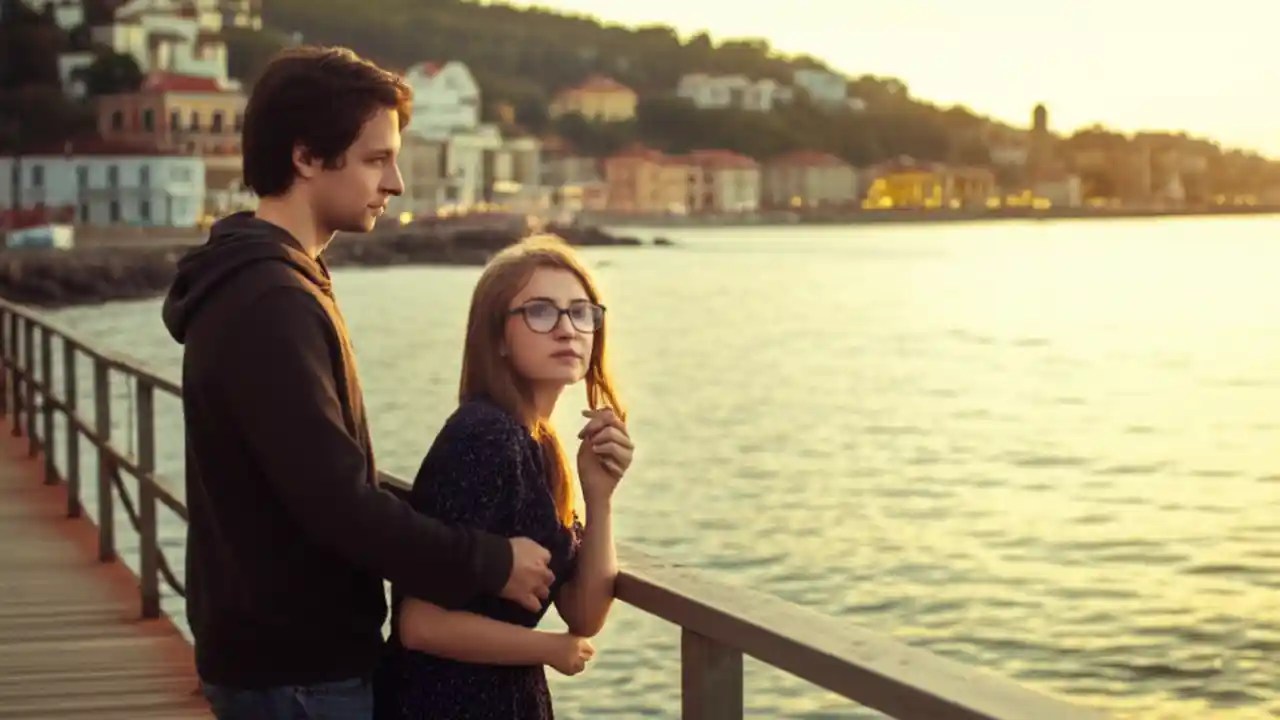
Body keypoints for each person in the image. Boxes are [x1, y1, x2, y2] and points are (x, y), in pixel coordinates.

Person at [160, 46, 554, 719]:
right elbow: (337, 503)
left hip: (275, 657)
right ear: (307, 157)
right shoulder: (271, 301)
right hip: (296, 672)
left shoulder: (267, 282)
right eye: (376, 160)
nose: (395, 182)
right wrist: (492, 562)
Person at [374, 235, 634, 720]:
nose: (566, 329)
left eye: (581, 312)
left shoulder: (539, 446)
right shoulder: (485, 436)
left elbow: (584, 613)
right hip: (444, 703)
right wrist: (549, 649)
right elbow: (419, 624)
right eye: (540, 311)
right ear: (497, 337)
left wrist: (599, 498)